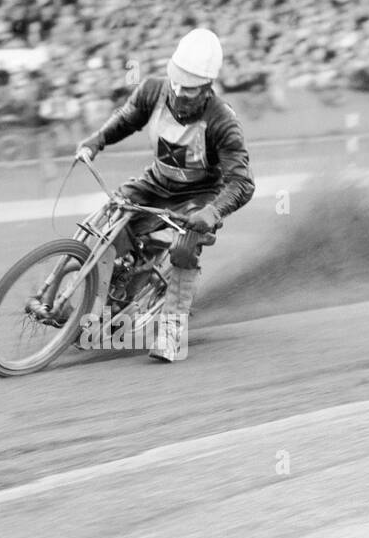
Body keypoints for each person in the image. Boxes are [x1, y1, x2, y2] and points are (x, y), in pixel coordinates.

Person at [76, 27, 254, 362]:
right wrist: (96, 140)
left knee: (184, 248)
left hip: (199, 196)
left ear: (207, 88)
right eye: (176, 82)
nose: (178, 92)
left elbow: (242, 182)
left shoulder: (222, 121)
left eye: (189, 89)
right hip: (156, 182)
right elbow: (126, 120)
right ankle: (103, 303)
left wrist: (212, 213)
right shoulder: (153, 90)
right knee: (110, 220)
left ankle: (171, 332)